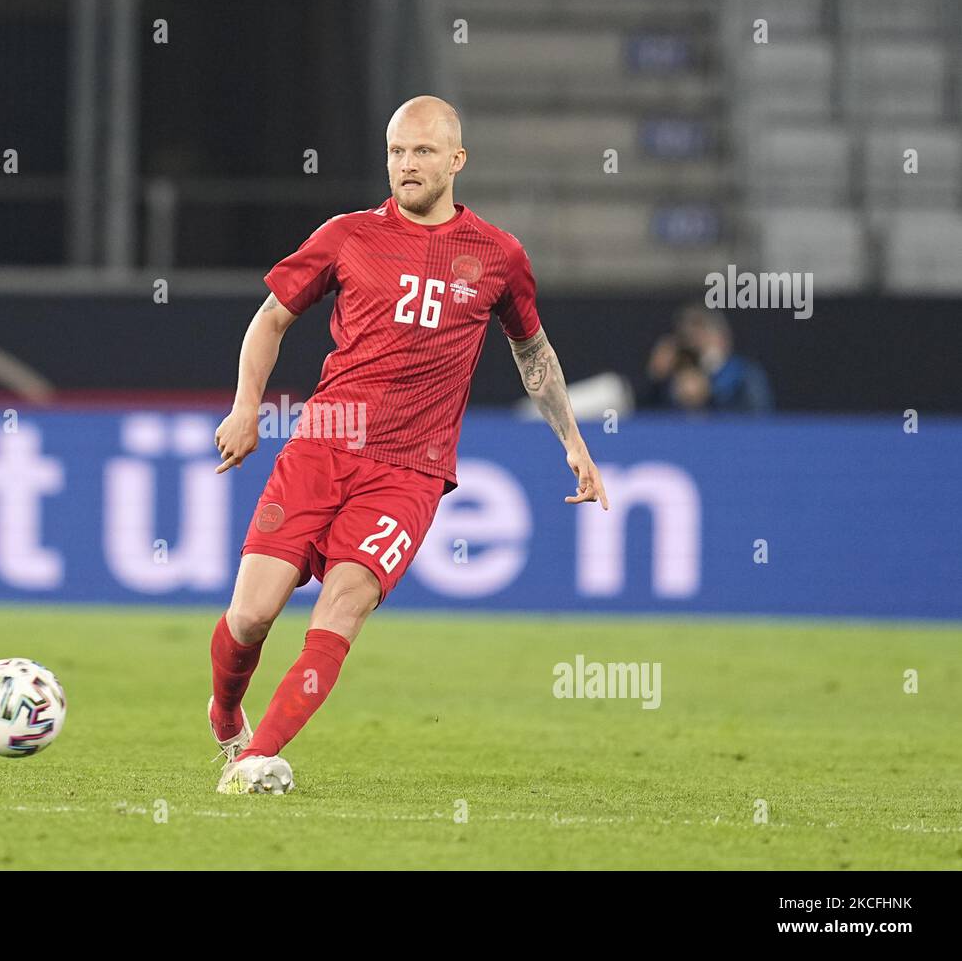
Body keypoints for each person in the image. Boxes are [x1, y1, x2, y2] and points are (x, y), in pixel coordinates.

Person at [208, 95, 609, 795]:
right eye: (396, 152)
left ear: (456, 161)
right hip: (322, 444)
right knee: (250, 615)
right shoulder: (347, 235)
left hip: (409, 471)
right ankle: (225, 712)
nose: (407, 164)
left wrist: (573, 440)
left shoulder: (498, 256)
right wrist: (248, 406)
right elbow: (270, 318)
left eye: (422, 151)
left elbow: (533, 353)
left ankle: (254, 760)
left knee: (340, 610)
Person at [644, 305, 773, 413]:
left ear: (721, 338)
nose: (695, 343)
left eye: (701, 334)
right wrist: (657, 379)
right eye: (688, 337)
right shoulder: (674, 378)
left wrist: (709, 393)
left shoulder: (746, 374)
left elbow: (758, 418)